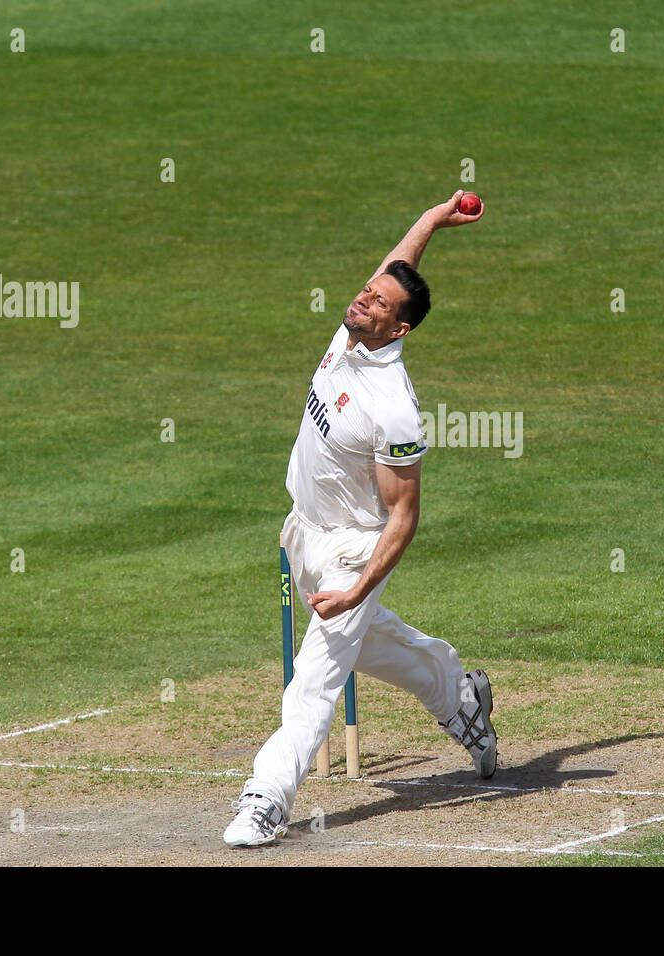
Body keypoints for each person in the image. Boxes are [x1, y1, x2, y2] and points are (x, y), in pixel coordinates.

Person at [224, 191, 497, 847]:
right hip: (304, 530)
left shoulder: (392, 405)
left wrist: (357, 588)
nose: (363, 300)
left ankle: (266, 798)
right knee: (365, 645)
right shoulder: (352, 332)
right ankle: (458, 695)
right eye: (366, 291)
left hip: (354, 549)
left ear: (397, 329)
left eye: (378, 303)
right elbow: (397, 267)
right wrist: (431, 221)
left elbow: (403, 517)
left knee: (314, 678)